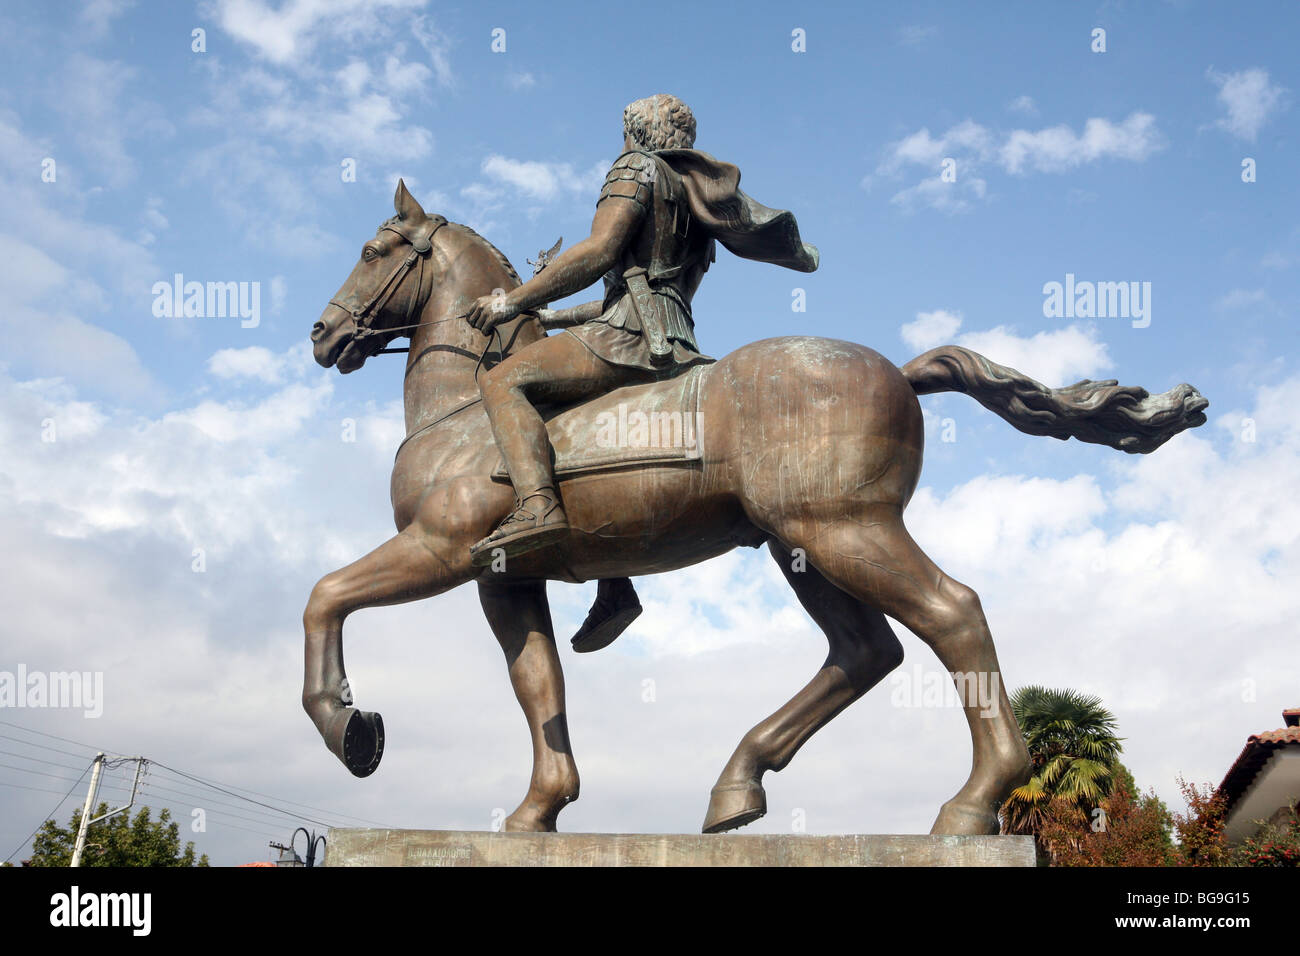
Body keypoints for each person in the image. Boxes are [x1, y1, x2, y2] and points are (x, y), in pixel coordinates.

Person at [464, 93, 817, 651]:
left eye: (623, 132)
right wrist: (550, 314)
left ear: (634, 132)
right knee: (581, 428)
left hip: (625, 340)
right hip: (671, 338)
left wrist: (513, 300)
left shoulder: (634, 169)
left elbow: (600, 251)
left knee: (502, 380)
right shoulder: (695, 193)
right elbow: (639, 286)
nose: (621, 142)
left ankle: (537, 507)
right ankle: (614, 586)